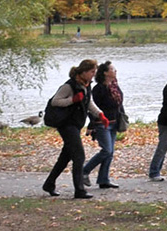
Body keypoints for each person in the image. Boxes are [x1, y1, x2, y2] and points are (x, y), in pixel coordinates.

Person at [43, 59, 106, 199]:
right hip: (66, 124)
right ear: (83, 72)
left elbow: (89, 102)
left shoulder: (86, 85)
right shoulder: (69, 86)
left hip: (75, 125)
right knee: (79, 156)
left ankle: (49, 184)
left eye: (94, 72)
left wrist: (100, 115)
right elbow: (55, 101)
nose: (93, 75)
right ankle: (79, 190)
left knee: (65, 157)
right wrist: (72, 100)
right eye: (91, 72)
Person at [81, 60, 125, 189]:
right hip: (102, 123)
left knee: (110, 153)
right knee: (106, 150)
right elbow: (91, 107)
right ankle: (84, 171)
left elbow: (119, 104)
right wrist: (92, 125)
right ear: (105, 73)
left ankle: (103, 179)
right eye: (112, 69)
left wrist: (121, 118)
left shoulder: (114, 86)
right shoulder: (98, 89)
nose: (115, 71)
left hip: (114, 122)